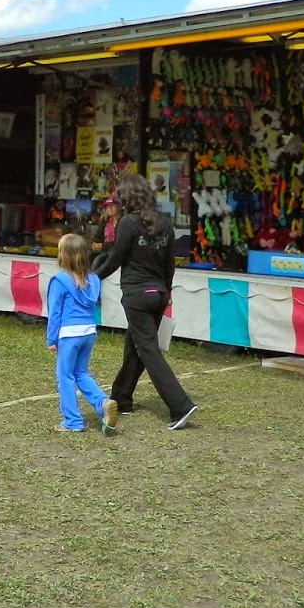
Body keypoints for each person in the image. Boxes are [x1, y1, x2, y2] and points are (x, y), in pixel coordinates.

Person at [94, 171, 198, 431]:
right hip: (159, 293)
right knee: (135, 346)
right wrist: (166, 294)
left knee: (149, 351)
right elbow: (169, 266)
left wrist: (89, 278)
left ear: (127, 198)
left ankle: (181, 405)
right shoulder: (165, 223)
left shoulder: (128, 223)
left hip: (137, 295)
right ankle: (122, 398)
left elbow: (115, 259)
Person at [47, 233, 119, 434]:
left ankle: (72, 421)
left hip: (69, 334)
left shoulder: (59, 280)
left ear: (62, 255)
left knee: (65, 376)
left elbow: (55, 313)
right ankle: (103, 402)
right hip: (89, 331)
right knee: (80, 372)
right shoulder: (94, 280)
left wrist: (51, 339)